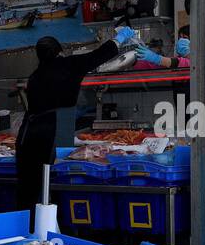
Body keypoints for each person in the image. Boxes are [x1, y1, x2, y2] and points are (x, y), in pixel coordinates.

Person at [16, 27, 138, 214]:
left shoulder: (36, 74)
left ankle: (28, 228)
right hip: (54, 130)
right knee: (55, 181)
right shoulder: (69, 65)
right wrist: (119, 39)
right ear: (59, 51)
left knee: (28, 187)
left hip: (27, 135)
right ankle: (53, 226)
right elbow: (100, 55)